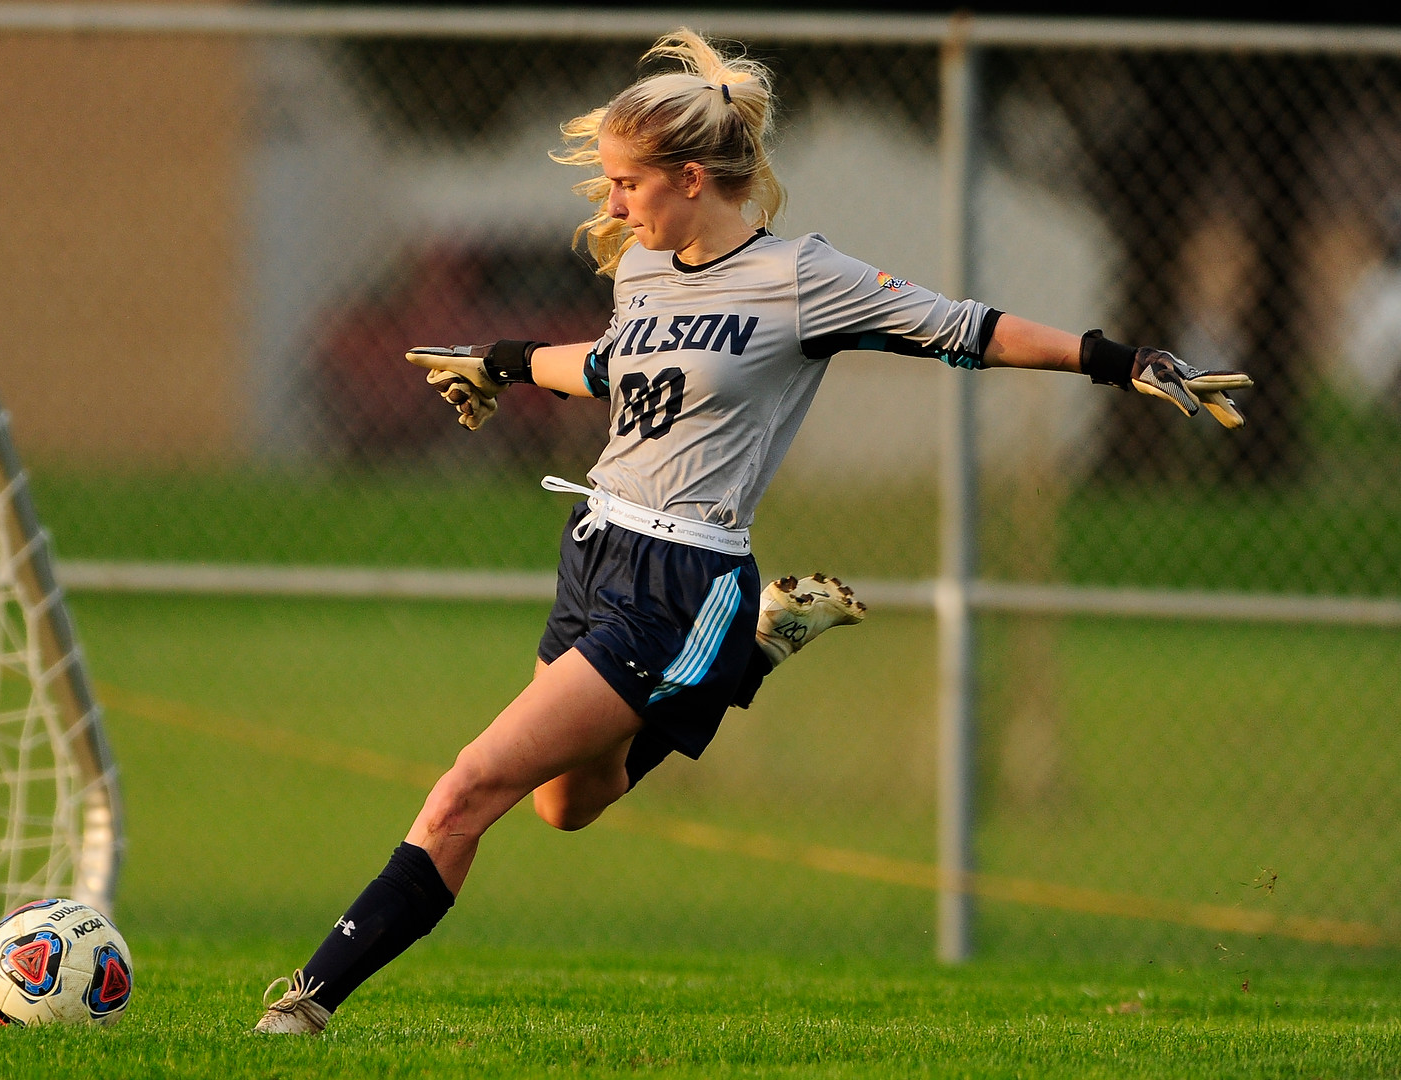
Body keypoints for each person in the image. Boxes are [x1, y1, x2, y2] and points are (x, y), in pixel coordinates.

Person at [253, 29, 1251, 1035]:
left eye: (626, 183)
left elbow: (966, 328)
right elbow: (605, 367)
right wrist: (499, 359)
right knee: (565, 805)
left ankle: (307, 1003)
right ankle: (755, 650)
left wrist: (1119, 360)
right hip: (594, 551)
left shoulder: (804, 279)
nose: (611, 205)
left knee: (469, 786)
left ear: (692, 177)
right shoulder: (644, 267)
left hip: (681, 580)